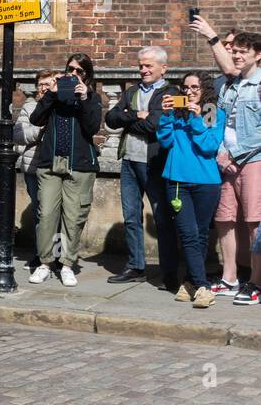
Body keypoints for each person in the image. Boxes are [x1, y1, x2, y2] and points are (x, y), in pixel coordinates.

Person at [105, 46, 180, 289]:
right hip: (129, 160)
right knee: (131, 217)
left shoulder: (170, 92)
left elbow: (155, 126)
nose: (143, 70)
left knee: (162, 218)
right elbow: (111, 118)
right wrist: (137, 114)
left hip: (154, 163)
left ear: (163, 68)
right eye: (141, 66)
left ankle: (169, 271)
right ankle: (136, 266)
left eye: (148, 65)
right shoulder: (133, 91)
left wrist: (130, 118)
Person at [28, 54, 102, 287]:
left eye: (79, 71)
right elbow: (36, 118)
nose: (74, 74)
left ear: (87, 75)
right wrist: (51, 93)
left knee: (72, 218)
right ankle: (46, 262)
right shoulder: (54, 94)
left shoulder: (91, 97)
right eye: (71, 69)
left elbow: (91, 127)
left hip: (79, 165)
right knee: (48, 214)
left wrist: (84, 99)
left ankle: (66, 263)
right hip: (50, 163)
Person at [158, 73, 226, 308]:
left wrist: (197, 119)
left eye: (195, 87)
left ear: (204, 89)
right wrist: (166, 116)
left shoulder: (209, 110)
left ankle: (189, 282)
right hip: (177, 181)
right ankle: (204, 286)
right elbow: (165, 142)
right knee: (187, 233)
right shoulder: (176, 113)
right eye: (185, 88)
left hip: (206, 181)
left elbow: (208, 146)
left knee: (200, 235)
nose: (189, 92)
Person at [210, 31, 261, 304]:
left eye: (244, 52)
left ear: (258, 54)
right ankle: (230, 276)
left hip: (253, 160)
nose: (237, 56)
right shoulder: (231, 85)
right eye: (235, 52)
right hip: (226, 161)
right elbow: (222, 122)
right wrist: (221, 153)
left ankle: (256, 281)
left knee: (255, 222)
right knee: (224, 219)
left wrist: (235, 153)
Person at [13, 71, 55, 269]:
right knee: (40, 212)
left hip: (55, 166)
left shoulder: (60, 105)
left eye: (47, 84)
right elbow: (18, 135)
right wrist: (39, 130)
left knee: (55, 213)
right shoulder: (30, 107)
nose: (43, 88)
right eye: (40, 84)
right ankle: (41, 255)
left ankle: (56, 255)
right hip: (33, 165)